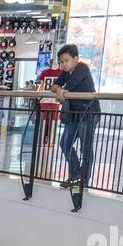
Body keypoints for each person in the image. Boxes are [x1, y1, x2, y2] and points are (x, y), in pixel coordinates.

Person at [50, 44, 100, 188]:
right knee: (64, 143)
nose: (64, 64)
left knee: (86, 148)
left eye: (66, 60)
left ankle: (83, 179)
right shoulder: (67, 72)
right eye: (61, 61)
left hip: (88, 113)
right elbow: (55, 85)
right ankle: (75, 174)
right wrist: (59, 89)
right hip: (74, 114)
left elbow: (69, 86)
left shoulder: (82, 68)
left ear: (76, 59)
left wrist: (61, 90)